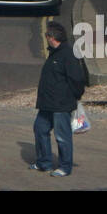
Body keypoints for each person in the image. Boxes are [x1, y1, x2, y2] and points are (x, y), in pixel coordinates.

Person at [31, 21, 85, 176]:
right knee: (40, 129)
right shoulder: (54, 52)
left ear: (51, 37)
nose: (46, 37)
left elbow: (77, 80)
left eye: (47, 35)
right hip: (47, 103)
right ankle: (44, 163)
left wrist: (74, 97)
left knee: (62, 136)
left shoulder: (68, 54)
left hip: (61, 104)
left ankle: (64, 167)